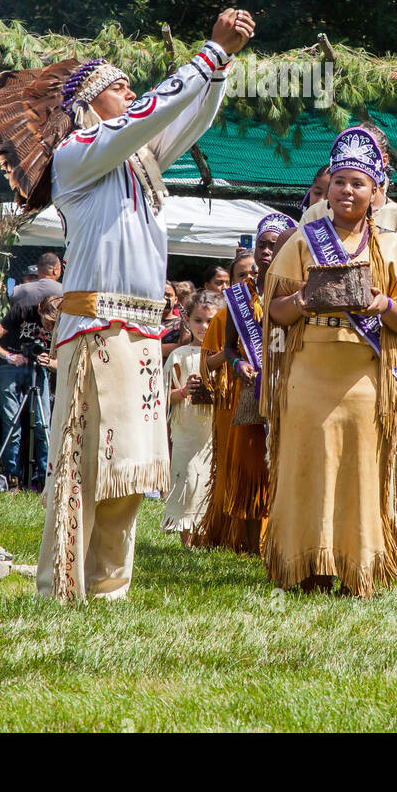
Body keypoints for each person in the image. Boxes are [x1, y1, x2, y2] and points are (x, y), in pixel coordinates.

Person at [0, 6, 254, 602]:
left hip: (142, 330)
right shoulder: (79, 155)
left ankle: (109, 588)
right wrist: (207, 50)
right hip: (96, 328)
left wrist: (221, 63)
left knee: (130, 468)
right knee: (85, 467)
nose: (131, 93)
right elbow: (153, 112)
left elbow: (188, 117)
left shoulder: (137, 159)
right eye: (120, 86)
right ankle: (64, 586)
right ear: (88, 105)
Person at [262, 127, 397, 598]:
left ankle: (360, 570)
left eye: (358, 183)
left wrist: (381, 306)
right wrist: (305, 302)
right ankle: (305, 568)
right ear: (327, 188)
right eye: (339, 182)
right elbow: (274, 311)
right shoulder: (301, 240)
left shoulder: (395, 247)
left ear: (376, 190)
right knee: (306, 468)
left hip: (366, 378)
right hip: (308, 371)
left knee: (360, 471)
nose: (347, 191)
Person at [299, 120, 397, 577]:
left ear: (382, 171)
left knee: (387, 455)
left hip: (382, 359)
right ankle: (318, 553)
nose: (348, 183)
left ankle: (391, 550)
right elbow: (288, 283)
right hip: (319, 357)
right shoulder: (314, 218)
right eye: (341, 171)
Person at [217, 212, 296, 553]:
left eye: (274, 246)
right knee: (251, 469)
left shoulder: (295, 290)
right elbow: (228, 348)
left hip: (289, 387)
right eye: (262, 244)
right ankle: (250, 547)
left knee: (286, 465)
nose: (267, 252)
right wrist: (237, 366)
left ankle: (281, 542)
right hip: (252, 391)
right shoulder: (239, 296)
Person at [193, 251, 258, 551]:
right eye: (241, 275)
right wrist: (235, 358)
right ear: (229, 283)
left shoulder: (274, 309)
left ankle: (263, 537)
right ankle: (231, 536)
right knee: (232, 467)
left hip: (263, 398)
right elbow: (206, 366)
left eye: (253, 272)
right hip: (230, 399)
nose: (249, 279)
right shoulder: (222, 316)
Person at [0, 253, 64, 490]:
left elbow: (68, 359)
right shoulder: (22, 311)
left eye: (52, 326)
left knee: (43, 425)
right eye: (46, 323)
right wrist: (10, 356)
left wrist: (52, 363)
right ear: (38, 309)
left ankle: (46, 479)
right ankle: (12, 478)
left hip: (39, 370)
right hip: (11, 367)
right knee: (13, 423)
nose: (48, 328)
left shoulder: (62, 320)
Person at [162, 290, 221, 546]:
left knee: (209, 481)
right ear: (187, 320)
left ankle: (207, 537)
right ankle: (186, 539)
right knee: (187, 478)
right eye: (198, 320)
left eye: (210, 321)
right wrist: (184, 391)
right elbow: (162, 395)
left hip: (212, 431)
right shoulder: (179, 355)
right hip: (186, 431)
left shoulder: (224, 356)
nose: (204, 326)